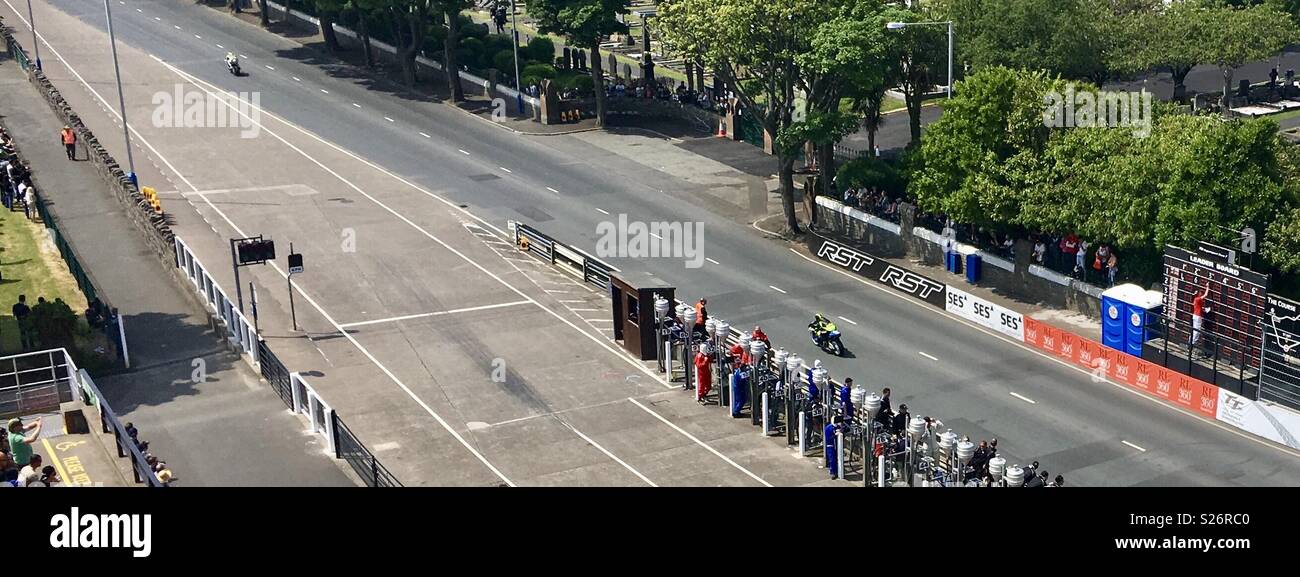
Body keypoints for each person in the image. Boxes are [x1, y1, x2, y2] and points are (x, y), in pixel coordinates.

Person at [1191, 286, 1211, 355]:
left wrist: (1205, 310)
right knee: (1197, 330)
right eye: (1199, 292)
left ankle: (1192, 342)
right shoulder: (1197, 299)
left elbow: (1199, 308)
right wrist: (1207, 287)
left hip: (1196, 316)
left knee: (1195, 330)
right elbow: (1206, 295)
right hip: (1197, 317)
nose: (1200, 293)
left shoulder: (1196, 300)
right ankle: (1193, 343)